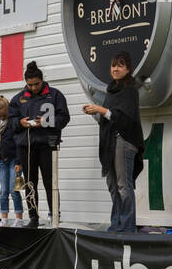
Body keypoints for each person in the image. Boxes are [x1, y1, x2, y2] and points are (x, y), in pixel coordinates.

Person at [82, 51, 145, 233]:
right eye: (113, 65)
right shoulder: (111, 90)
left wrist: (101, 109)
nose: (115, 69)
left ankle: (126, 227)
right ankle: (117, 225)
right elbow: (110, 116)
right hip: (111, 142)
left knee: (123, 185)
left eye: (120, 65)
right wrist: (97, 112)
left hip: (124, 140)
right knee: (112, 185)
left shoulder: (130, 90)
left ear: (128, 69)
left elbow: (125, 119)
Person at [10, 61, 70, 229]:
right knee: (30, 183)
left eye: (36, 84)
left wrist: (45, 122)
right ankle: (33, 218)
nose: (34, 87)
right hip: (26, 147)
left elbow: (64, 117)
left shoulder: (55, 95)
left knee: (51, 182)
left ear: (42, 80)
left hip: (47, 145)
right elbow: (10, 122)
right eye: (30, 85)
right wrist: (20, 123)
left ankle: (54, 217)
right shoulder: (18, 99)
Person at [0, 95, 21, 225]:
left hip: (14, 161)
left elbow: (19, 143)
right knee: (3, 191)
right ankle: (4, 218)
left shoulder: (13, 122)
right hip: (2, 161)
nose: (2, 117)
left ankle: (19, 218)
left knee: (14, 189)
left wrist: (19, 161)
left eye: (4, 115)